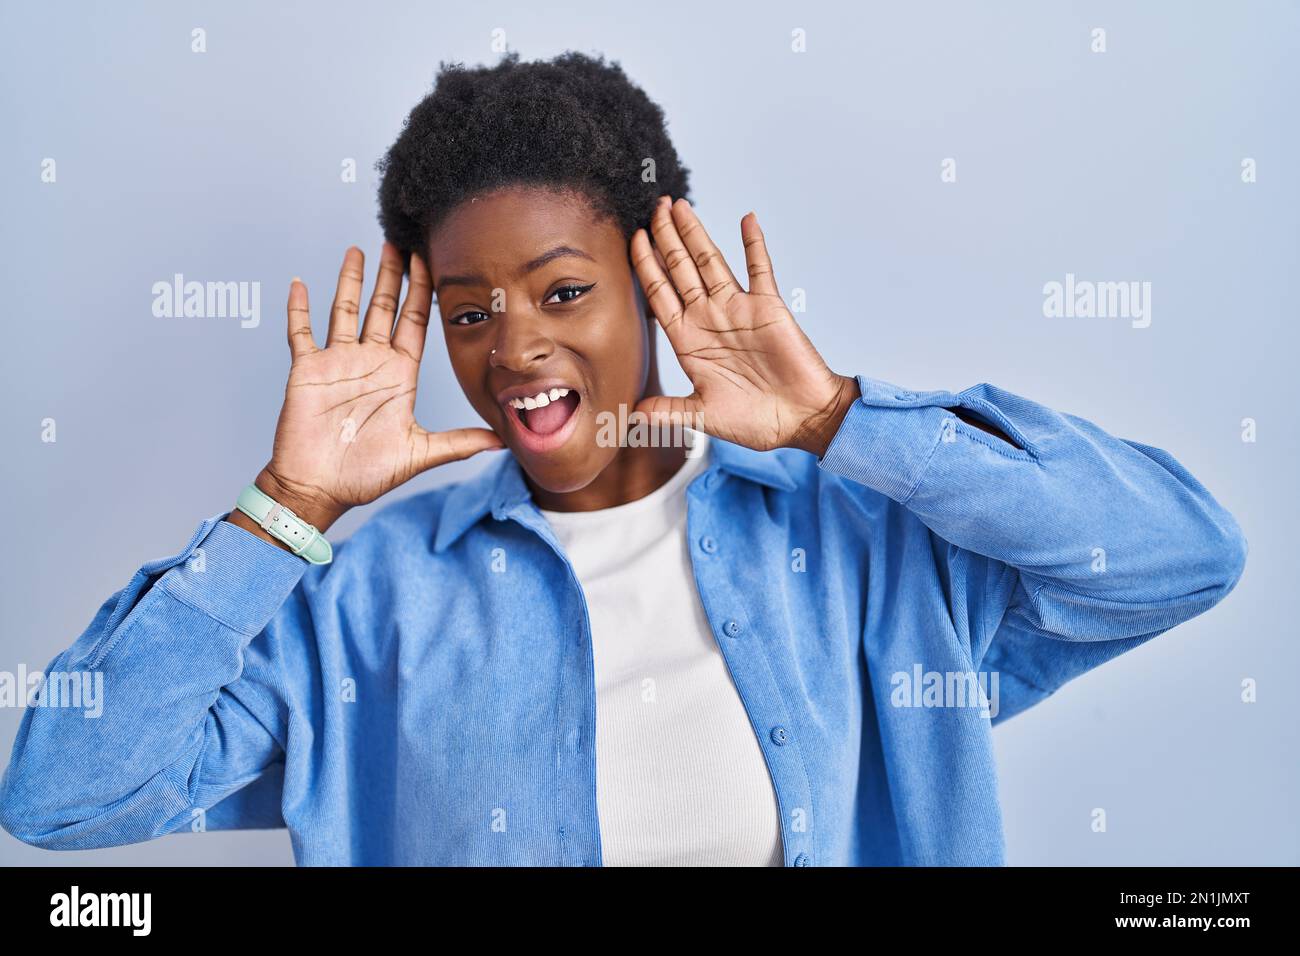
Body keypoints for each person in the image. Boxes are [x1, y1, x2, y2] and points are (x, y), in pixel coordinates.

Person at [0, 51, 1246, 866]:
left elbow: (1176, 559)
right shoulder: (361, 598)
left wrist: (836, 422)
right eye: (472, 310)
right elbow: (61, 795)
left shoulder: (863, 549)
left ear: (650, 289)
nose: (514, 346)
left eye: (563, 290)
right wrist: (287, 507)